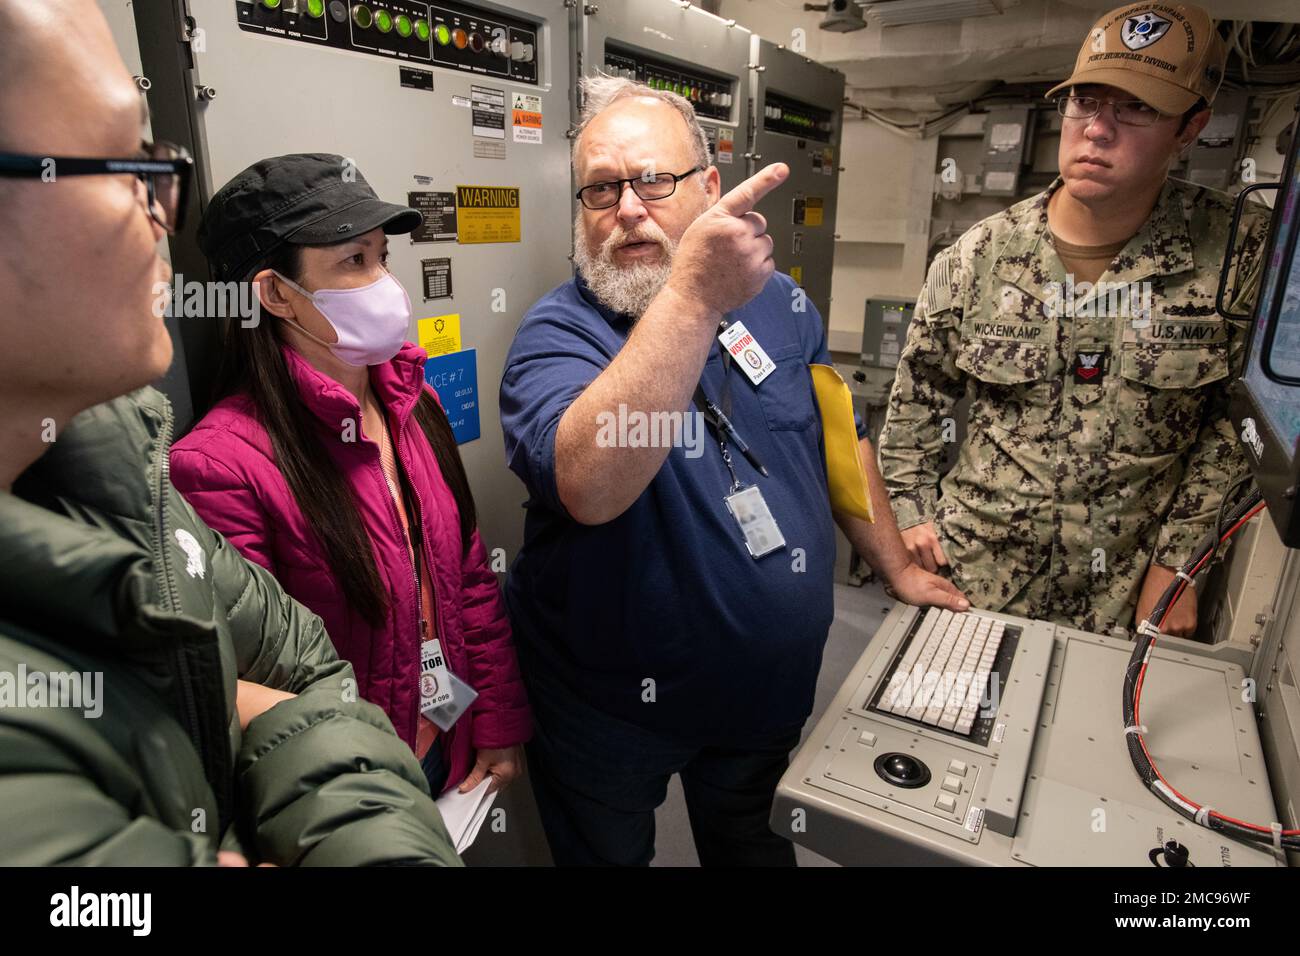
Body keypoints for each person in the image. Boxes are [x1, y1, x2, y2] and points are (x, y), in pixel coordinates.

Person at [0, 0, 459, 864]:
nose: (157, 214)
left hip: (424, 741)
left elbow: (313, 663)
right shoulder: (213, 462)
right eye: (117, 162)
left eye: (157, 164)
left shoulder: (124, 486)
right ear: (275, 294)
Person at [499, 74, 969, 867]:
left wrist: (894, 565)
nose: (629, 209)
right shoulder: (556, 334)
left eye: (654, 179)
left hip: (767, 695)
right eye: (601, 189)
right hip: (609, 710)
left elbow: (838, 439)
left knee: (752, 849)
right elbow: (590, 486)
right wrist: (692, 296)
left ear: (710, 187)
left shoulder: (779, 303)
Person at [878, 2, 1269, 638]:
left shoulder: (1239, 252)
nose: (1097, 129)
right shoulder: (980, 255)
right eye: (1085, 102)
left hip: (1127, 595)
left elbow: (1236, 429)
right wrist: (912, 515)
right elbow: (914, 404)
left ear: (1191, 127)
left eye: (1136, 108)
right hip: (971, 579)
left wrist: (1179, 566)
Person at [169, 154, 530, 797]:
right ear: (276, 293)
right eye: (353, 262)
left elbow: (469, 576)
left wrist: (496, 720)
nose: (385, 283)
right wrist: (352, 795)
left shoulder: (414, 403)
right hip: (348, 776)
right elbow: (245, 678)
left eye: (381, 256)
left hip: (448, 738)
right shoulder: (220, 465)